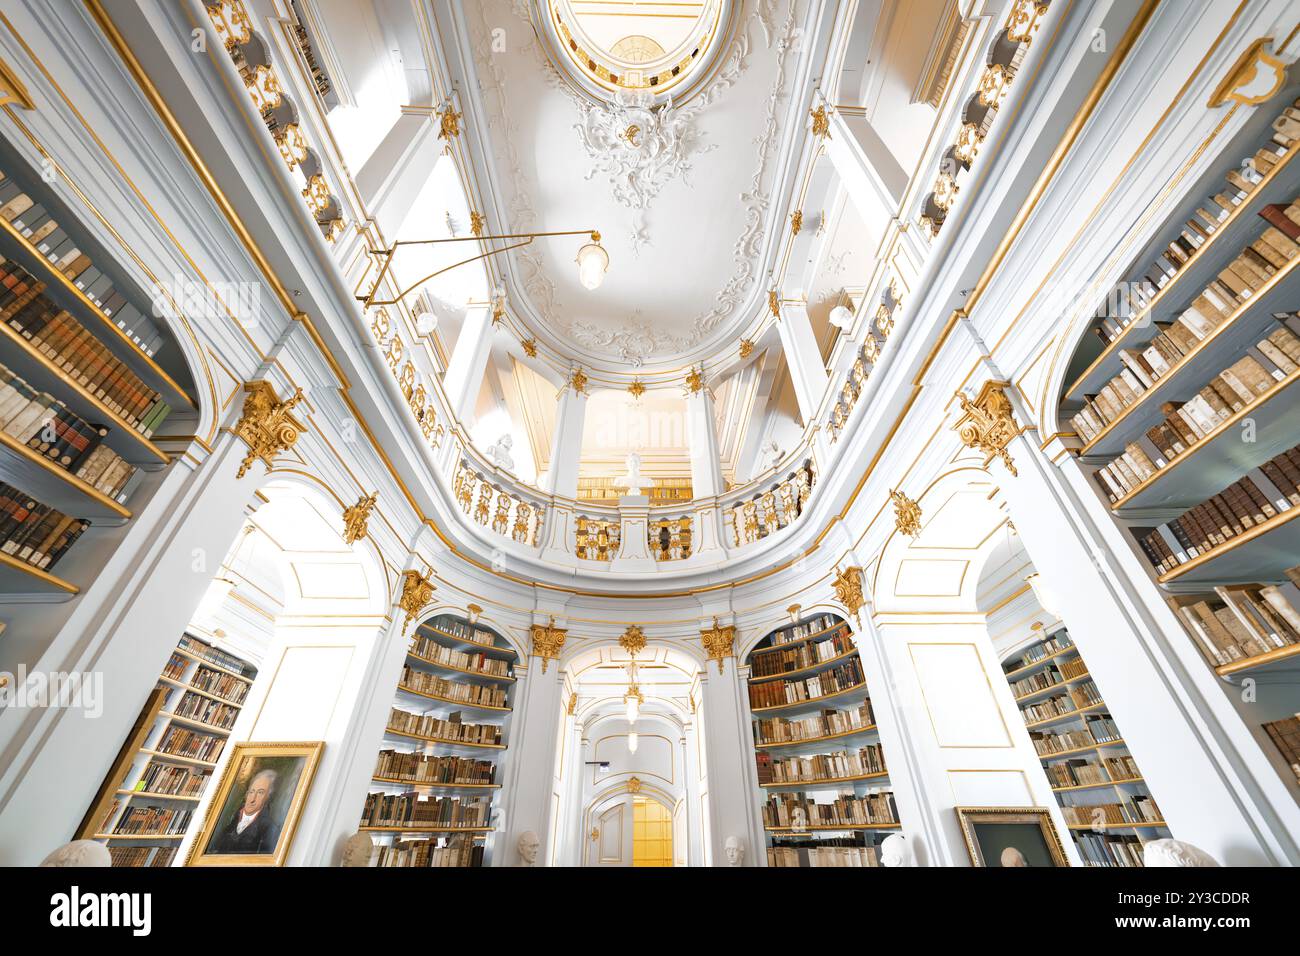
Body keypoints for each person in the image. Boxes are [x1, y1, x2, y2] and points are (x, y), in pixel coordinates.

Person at [210, 768, 280, 854]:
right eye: (251, 791)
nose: (252, 799)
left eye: (260, 793)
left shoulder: (270, 829)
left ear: (268, 798)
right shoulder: (232, 820)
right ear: (247, 794)